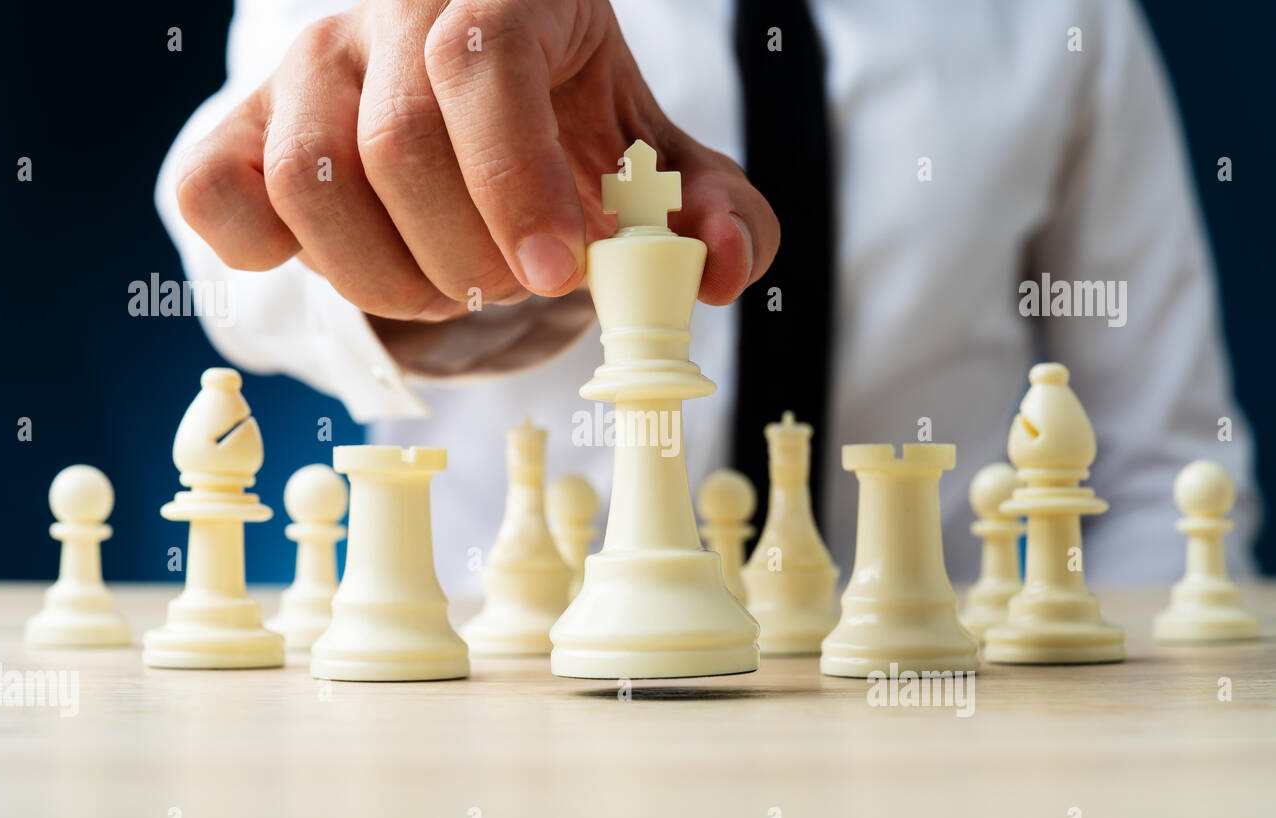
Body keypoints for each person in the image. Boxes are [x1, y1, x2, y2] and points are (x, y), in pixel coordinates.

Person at [157, 0, 1258, 598]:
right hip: (500, 712)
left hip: (939, 704)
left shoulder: (1067, 18)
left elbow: (1160, 472)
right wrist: (454, 284)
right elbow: (236, 256)